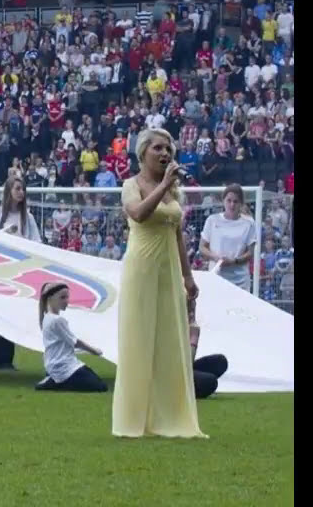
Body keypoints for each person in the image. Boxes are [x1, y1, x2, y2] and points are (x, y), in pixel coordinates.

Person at [112, 128, 207, 439]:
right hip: (141, 268)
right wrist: (164, 184)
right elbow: (138, 214)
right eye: (158, 148)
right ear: (142, 153)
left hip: (168, 272)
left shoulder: (173, 191)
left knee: (170, 342)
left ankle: (170, 418)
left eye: (168, 149)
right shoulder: (131, 185)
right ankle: (133, 420)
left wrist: (188, 275)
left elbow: (177, 233)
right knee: (138, 340)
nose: (165, 154)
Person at [0, 175, 42, 370]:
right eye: (17, 189)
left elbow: (37, 243)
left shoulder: (29, 217)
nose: (21, 193)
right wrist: (6, 234)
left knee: (11, 317)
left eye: (23, 189)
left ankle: (7, 359)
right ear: (8, 191)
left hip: (20, 275)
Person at [35, 282, 107, 392]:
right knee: (101, 387)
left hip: (56, 364)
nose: (66, 301)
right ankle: (56, 382)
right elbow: (75, 342)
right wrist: (93, 350)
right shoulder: (57, 320)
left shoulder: (47, 318)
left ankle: (54, 379)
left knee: (92, 378)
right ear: (51, 298)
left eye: (67, 297)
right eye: (62, 297)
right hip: (64, 366)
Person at [199, 184, 258, 291]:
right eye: (229, 200)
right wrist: (216, 258)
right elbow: (202, 248)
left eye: (236, 201)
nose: (232, 205)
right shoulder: (212, 220)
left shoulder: (249, 223)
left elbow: (250, 253)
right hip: (216, 276)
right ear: (223, 201)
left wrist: (234, 261)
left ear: (241, 203)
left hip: (240, 280)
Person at [188, 296, 228, 399]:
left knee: (220, 361)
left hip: (183, 366)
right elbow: (185, 364)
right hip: (170, 373)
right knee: (209, 382)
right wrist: (193, 339)